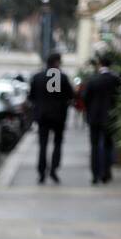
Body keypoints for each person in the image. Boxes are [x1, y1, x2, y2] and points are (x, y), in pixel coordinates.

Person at [27, 52, 75, 184]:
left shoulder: (37, 77)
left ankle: (41, 172)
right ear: (57, 62)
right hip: (59, 117)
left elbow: (31, 97)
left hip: (43, 116)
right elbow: (71, 96)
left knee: (42, 145)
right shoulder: (63, 78)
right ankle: (54, 169)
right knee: (57, 143)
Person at [81, 51, 121, 185]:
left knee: (94, 146)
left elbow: (85, 97)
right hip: (110, 117)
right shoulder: (115, 80)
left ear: (100, 64)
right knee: (108, 144)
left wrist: (89, 110)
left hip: (94, 117)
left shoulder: (92, 79)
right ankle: (106, 173)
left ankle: (95, 175)